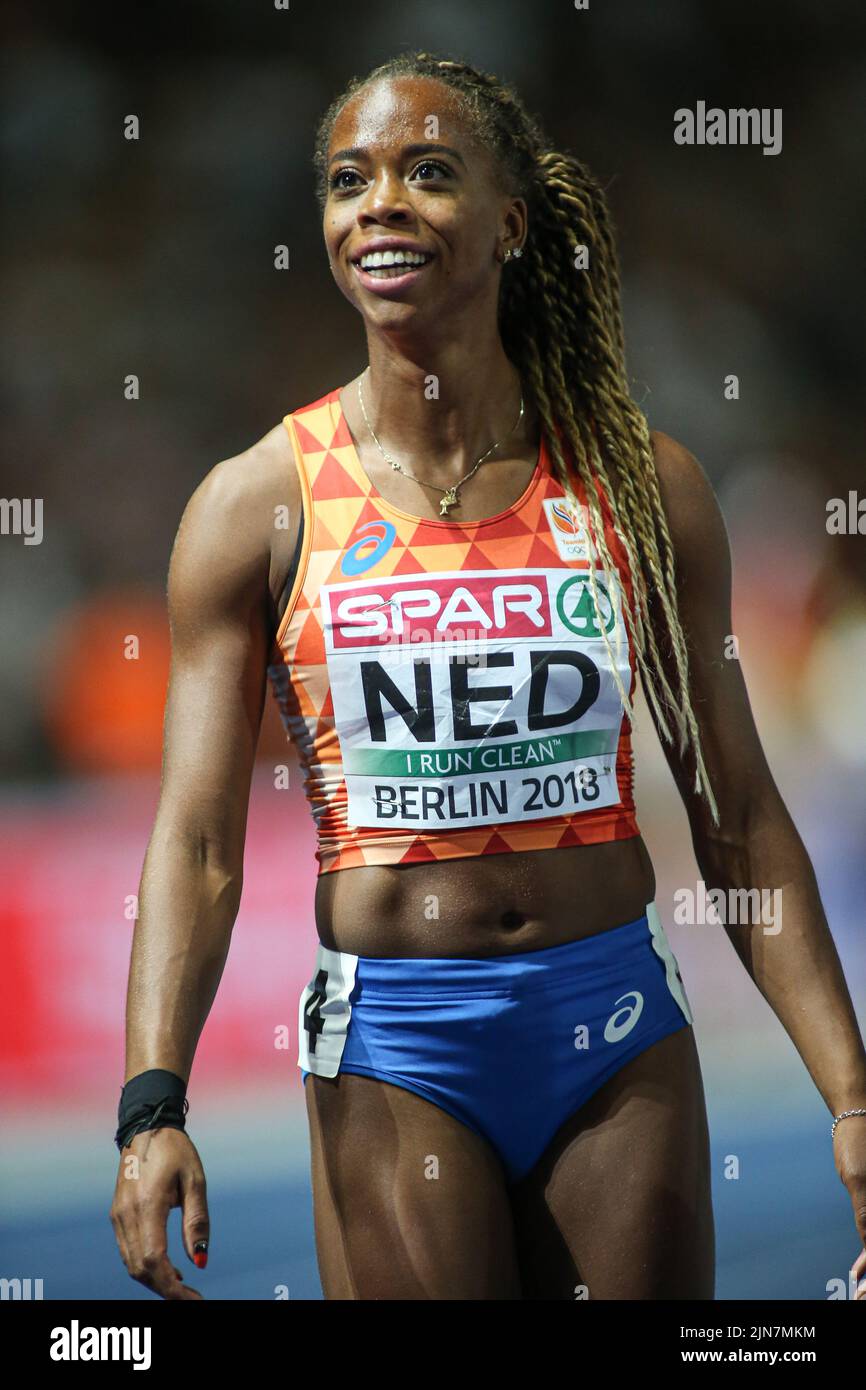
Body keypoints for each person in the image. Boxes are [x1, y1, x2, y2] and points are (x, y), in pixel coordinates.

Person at [110, 51, 866, 1301]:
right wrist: (150, 1107)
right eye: (350, 181)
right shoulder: (257, 505)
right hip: (398, 1049)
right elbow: (195, 839)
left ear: (511, 220)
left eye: (427, 172)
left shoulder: (639, 486)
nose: (379, 204)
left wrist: (849, 1093)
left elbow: (734, 810)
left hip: (614, 1032)